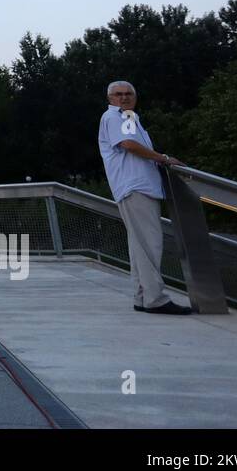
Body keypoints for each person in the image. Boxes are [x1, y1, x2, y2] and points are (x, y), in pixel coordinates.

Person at [99, 80, 191, 315]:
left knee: (140, 245)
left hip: (139, 187)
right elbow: (129, 145)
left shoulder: (130, 119)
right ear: (110, 98)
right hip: (135, 188)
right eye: (118, 94)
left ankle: (142, 297)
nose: (124, 97)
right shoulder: (114, 118)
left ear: (135, 97)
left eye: (128, 93)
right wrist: (164, 158)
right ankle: (155, 298)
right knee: (150, 243)